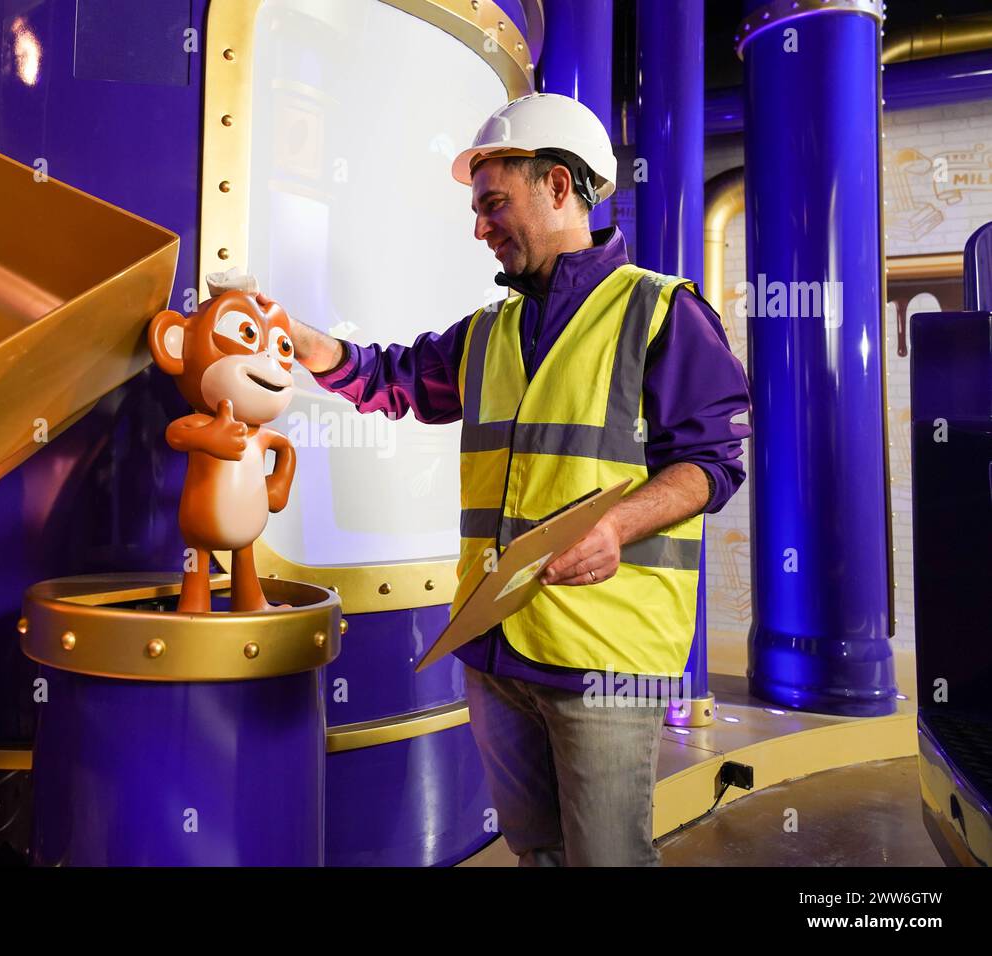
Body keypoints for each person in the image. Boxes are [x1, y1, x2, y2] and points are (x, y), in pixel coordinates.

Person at [278, 93, 752, 866]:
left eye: (494, 203)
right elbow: (390, 379)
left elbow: (712, 462)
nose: (479, 227)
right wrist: (305, 344)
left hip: (604, 657)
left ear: (560, 188)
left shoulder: (662, 312)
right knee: (535, 853)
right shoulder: (490, 331)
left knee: (607, 857)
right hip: (495, 652)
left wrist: (616, 527)